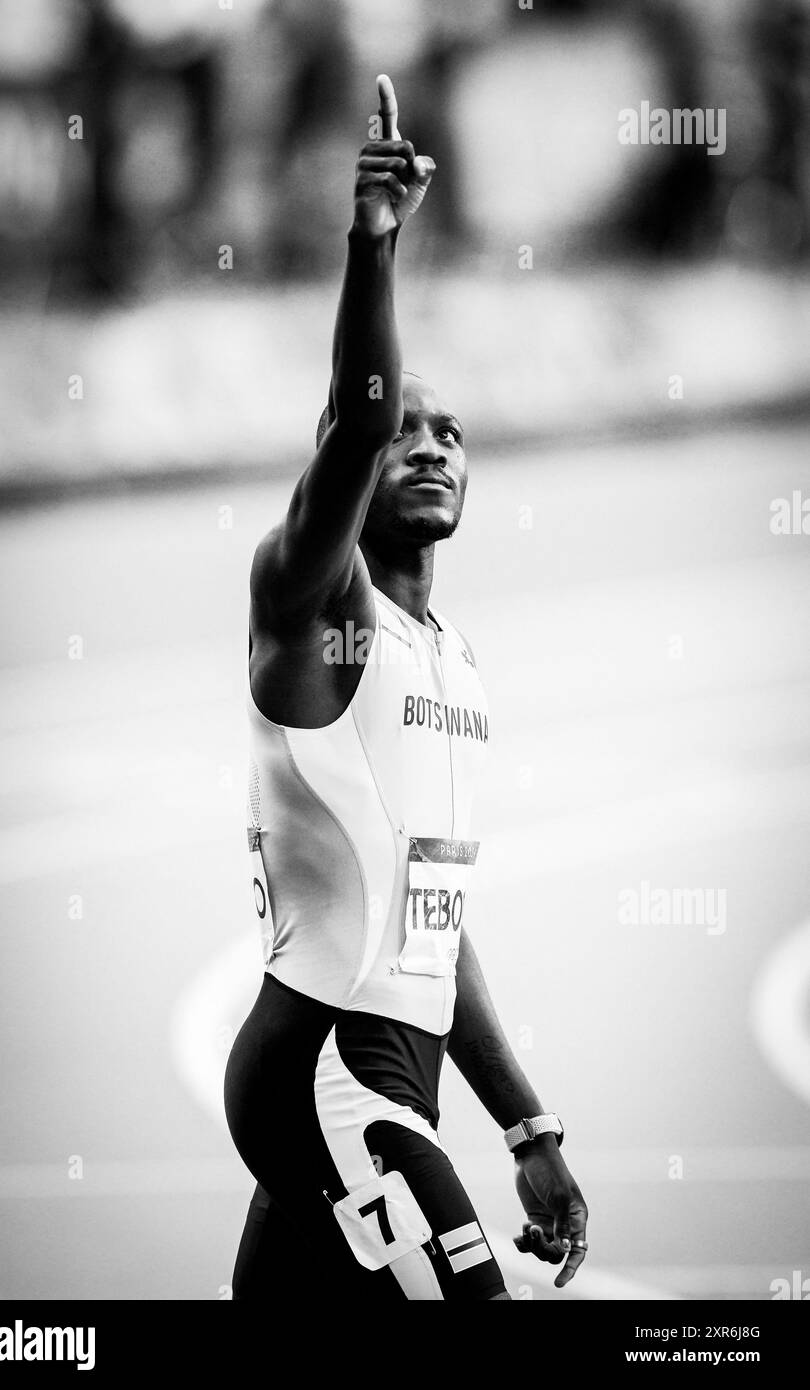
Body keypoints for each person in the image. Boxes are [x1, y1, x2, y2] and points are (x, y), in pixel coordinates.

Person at [225, 74, 589, 1301]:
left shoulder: (453, 658)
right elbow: (355, 415)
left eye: (453, 434)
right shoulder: (314, 602)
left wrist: (527, 1128)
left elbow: (435, 921)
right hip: (328, 1064)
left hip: (400, 1072)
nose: (427, 445)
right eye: (404, 433)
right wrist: (373, 247)